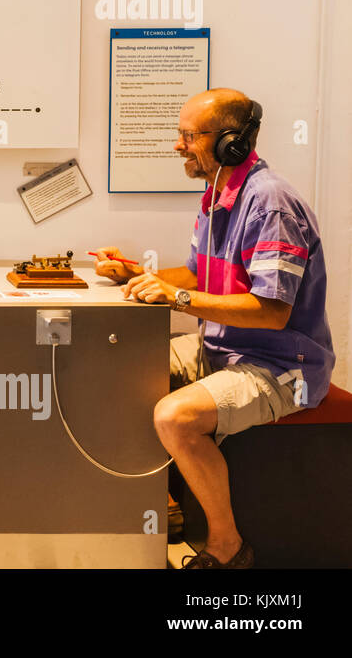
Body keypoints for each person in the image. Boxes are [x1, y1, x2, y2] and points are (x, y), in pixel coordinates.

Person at [94, 88, 334, 569]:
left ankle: (228, 547)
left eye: (188, 136)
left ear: (231, 142)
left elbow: (271, 312)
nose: (178, 146)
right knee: (117, 367)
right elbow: (201, 275)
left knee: (174, 417)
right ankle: (165, 505)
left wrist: (178, 299)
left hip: (283, 366)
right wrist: (142, 276)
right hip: (222, 348)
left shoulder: (271, 205)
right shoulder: (219, 195)